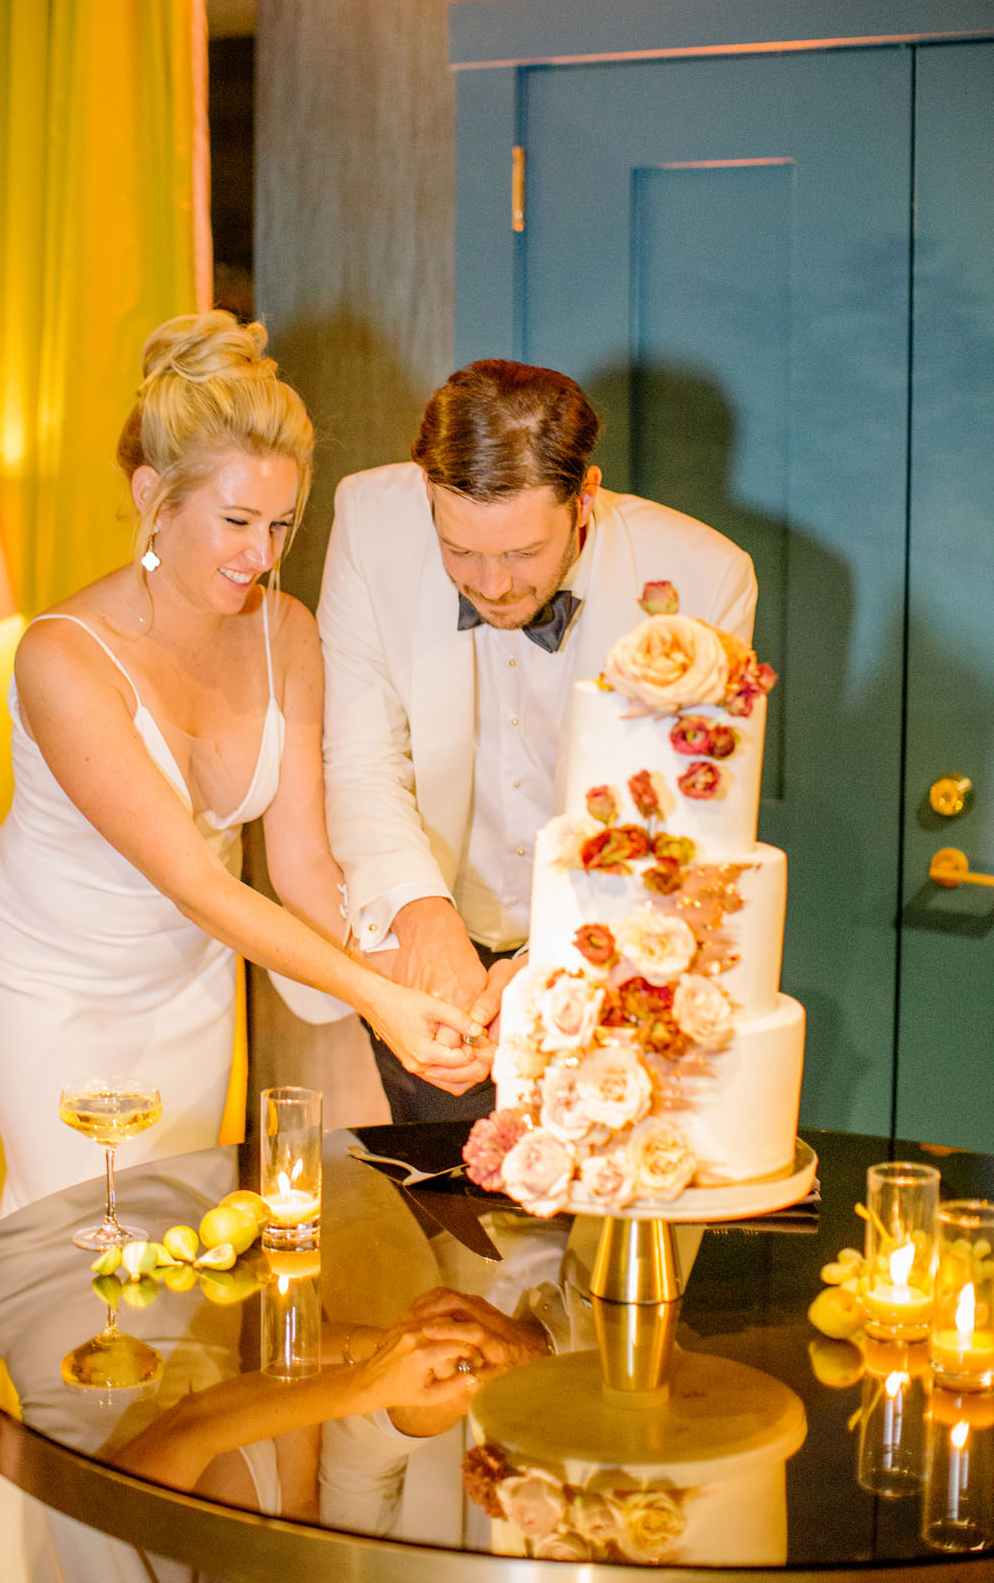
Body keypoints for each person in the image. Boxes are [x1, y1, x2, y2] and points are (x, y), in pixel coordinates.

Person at [0, 312, 490, 1216]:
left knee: (174, 1230)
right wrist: (375, 997)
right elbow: (194, 882)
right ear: (153, 497)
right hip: (53, 979)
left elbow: (300, 865)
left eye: (281, 524)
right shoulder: (64, 658)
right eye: (237, 519)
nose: (263, 555)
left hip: (191, 976)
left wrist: (407, 981)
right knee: (76, 1230)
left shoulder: (287, 634)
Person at [318, 358, 757, 1123]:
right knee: (447, 1214)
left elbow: (681, 834)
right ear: (429, 494)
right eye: (460, 549)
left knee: (602, 1216)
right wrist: (423, 918)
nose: (490, 585)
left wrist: (548, 961)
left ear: (584, 497)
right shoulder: (368, 520)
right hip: (432, 941)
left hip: (616, 951)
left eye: (520, 554)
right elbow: (361, 756)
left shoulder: (703, 579)